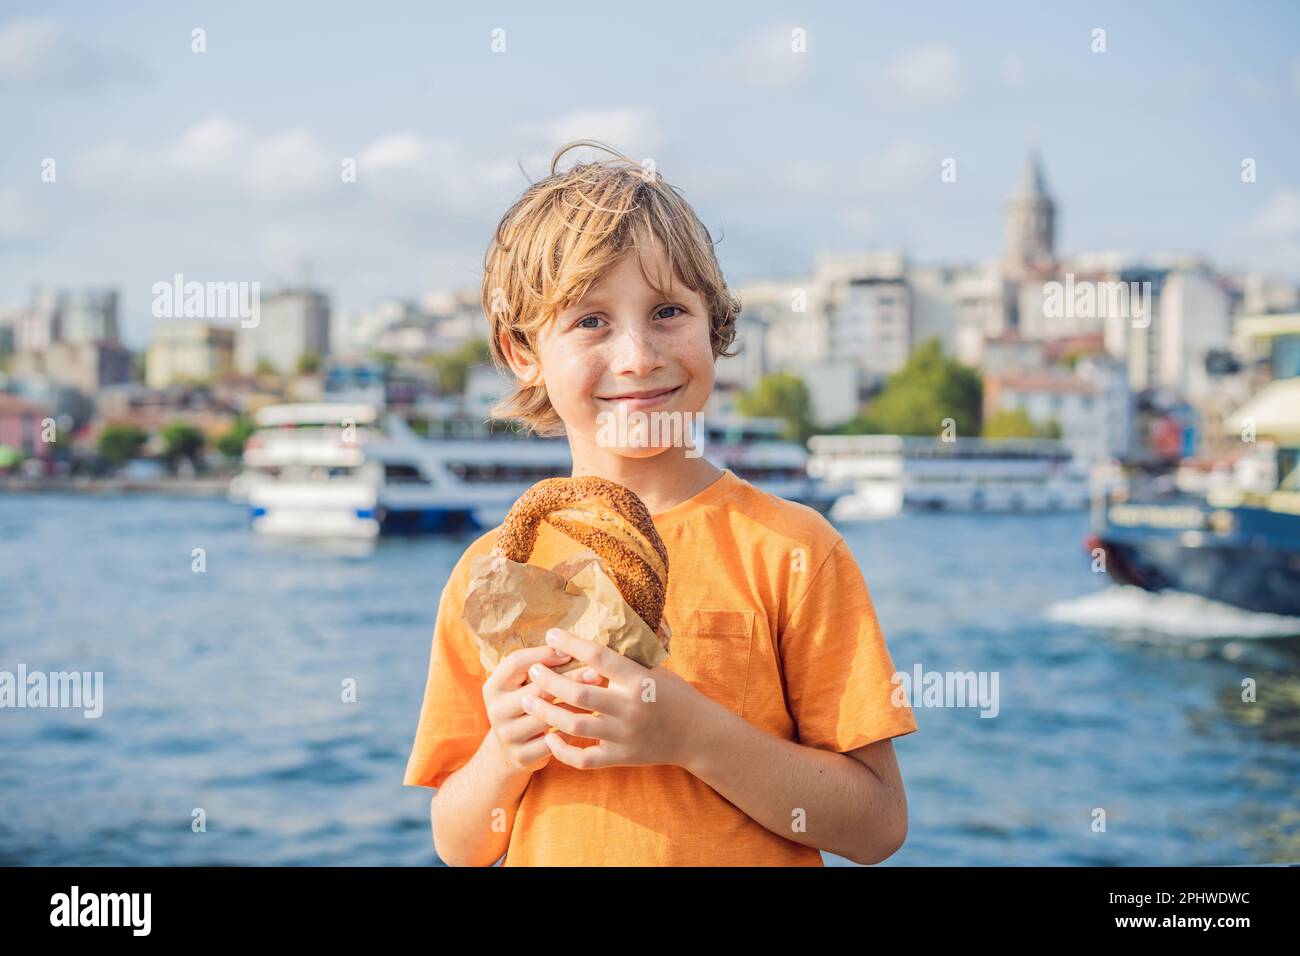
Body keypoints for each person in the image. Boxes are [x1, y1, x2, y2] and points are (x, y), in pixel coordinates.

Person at [403, 140, 918, 866]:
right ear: (523, 351)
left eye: (669, 310)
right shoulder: (490, 572)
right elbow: (458, 844)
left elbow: (876, 825)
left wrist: (690, 735)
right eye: (590, 321)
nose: (639, 355)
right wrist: (505, 756)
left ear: (716, 323)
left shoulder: (794, 549)